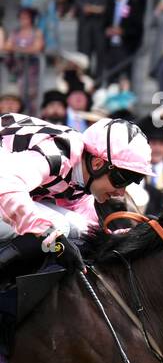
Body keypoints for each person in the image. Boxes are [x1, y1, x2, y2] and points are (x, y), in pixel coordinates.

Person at [0, 115, 153, 277]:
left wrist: (126, 237)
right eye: (122, 179)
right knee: (57, 227)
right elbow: (6, 186)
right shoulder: (57, 153)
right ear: (97, 164)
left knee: (77, 228)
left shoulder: (84, 177)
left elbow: (89, 230)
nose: (121, 193)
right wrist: (54, 240)